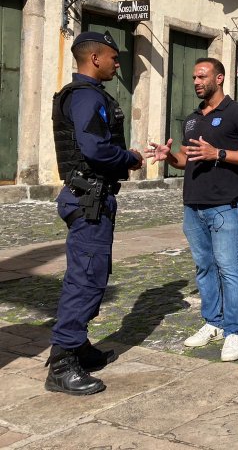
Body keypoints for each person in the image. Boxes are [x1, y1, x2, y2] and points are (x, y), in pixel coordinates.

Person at [146, 57, 238, 362]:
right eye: (194, 78)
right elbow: (187, 158)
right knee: (204, 267)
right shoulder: (192, 119)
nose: (197, 82)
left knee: (229, 269)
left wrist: (219, 153)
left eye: (202, 77)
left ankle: (234, 330)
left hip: (224, 205)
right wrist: (170, 157)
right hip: (193, 205)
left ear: (220, 78)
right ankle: (213, 322)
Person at [47, 31, 144, 395]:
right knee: (85, 278)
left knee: (92, 272)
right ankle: (62, 362)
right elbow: (96, 150)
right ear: (94, 59)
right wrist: (130, 158)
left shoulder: (84, 95)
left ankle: (78, 345)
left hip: (90, 197)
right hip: (87, 198)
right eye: (113, 57)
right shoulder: (86, 96)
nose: (118, 63)